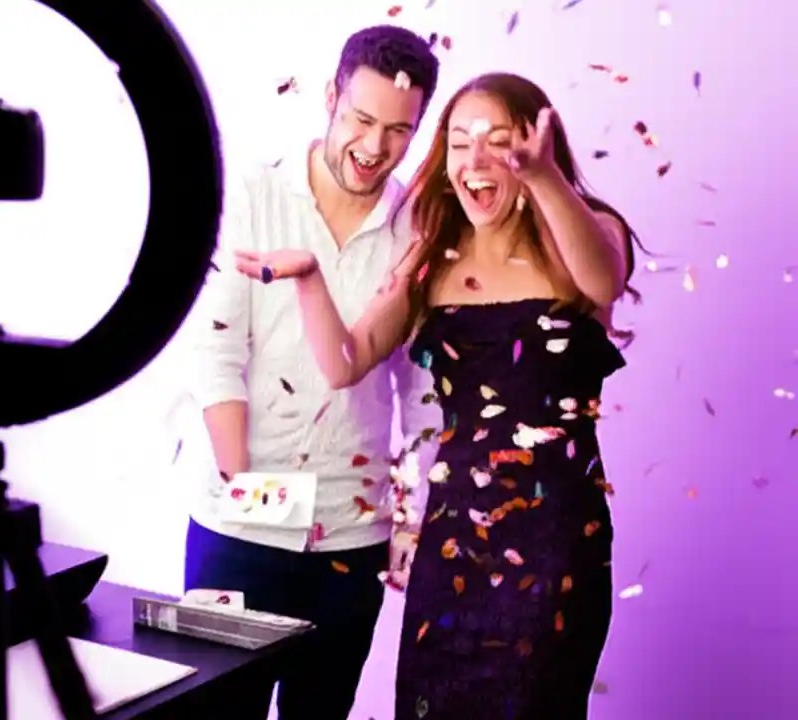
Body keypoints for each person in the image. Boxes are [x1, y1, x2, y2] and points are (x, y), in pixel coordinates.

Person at [233, 71, 641, 719]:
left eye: (499, 142)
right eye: (458, 143)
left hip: (554, 540)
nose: (475, 160)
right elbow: (345, 362)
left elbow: (602, 282)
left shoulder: (589, 233)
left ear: (539, 145)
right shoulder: (433, 255)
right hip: (451, 545)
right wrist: (309, 278)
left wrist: (540, 177)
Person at [184, 25, 443, 720]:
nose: (374, 147)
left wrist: (411, 519)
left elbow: (422, 395)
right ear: (330, 98)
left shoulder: (419, 227)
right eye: (361, 120)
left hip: (351, 535)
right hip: (235, 530)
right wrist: (246, 492)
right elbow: (216, 351)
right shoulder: (253, 194)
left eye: (398, 131)